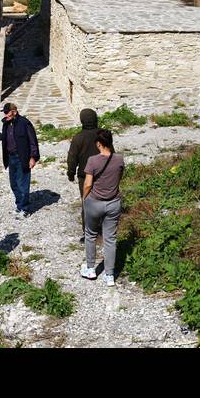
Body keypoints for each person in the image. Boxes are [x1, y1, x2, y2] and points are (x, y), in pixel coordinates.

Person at [80, 129, 124, 286]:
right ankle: (110, 275)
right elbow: (119, 177)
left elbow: (88, 184)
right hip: (113, 203)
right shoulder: (119, 159)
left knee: (90, 234)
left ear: (99, 144)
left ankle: (91, 269)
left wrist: (84, 199)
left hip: (95, 202)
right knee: (110, 239)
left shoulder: (92, 161)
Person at [0, 102, 39, 218]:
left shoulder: (25, 123)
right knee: (13, 184)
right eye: (4, 113)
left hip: (22, 158)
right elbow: (4, 137)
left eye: (7, 113)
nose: (5, 115)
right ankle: (19, 206)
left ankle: (25, 209)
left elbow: (33, 141)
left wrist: (33, 157)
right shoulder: (6, 123)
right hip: (10, 157)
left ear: (14, 112)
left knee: (22, 183)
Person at [66, 108, 100, 241]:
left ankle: (88, 234)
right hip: (103, 174)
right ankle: (102, 230)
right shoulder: (103, 135)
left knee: (87, 203)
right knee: (103, 201)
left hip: (85, 177)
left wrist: (70, 173)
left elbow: (72, 158)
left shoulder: (78, 138)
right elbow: (111, 153)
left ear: (82, 121)